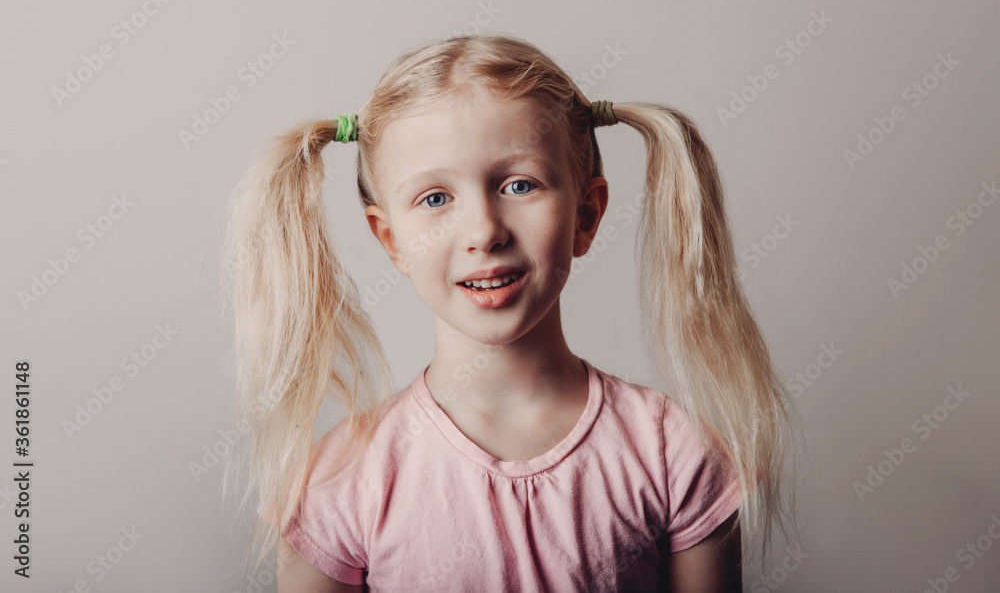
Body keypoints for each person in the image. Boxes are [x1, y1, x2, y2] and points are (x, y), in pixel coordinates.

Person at [221, 33, 808, 592]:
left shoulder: (672, 451)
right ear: (391, 239)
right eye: (435, 199)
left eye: (520, 185)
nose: (483, 231)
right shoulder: (340, 481)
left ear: (586, 214)